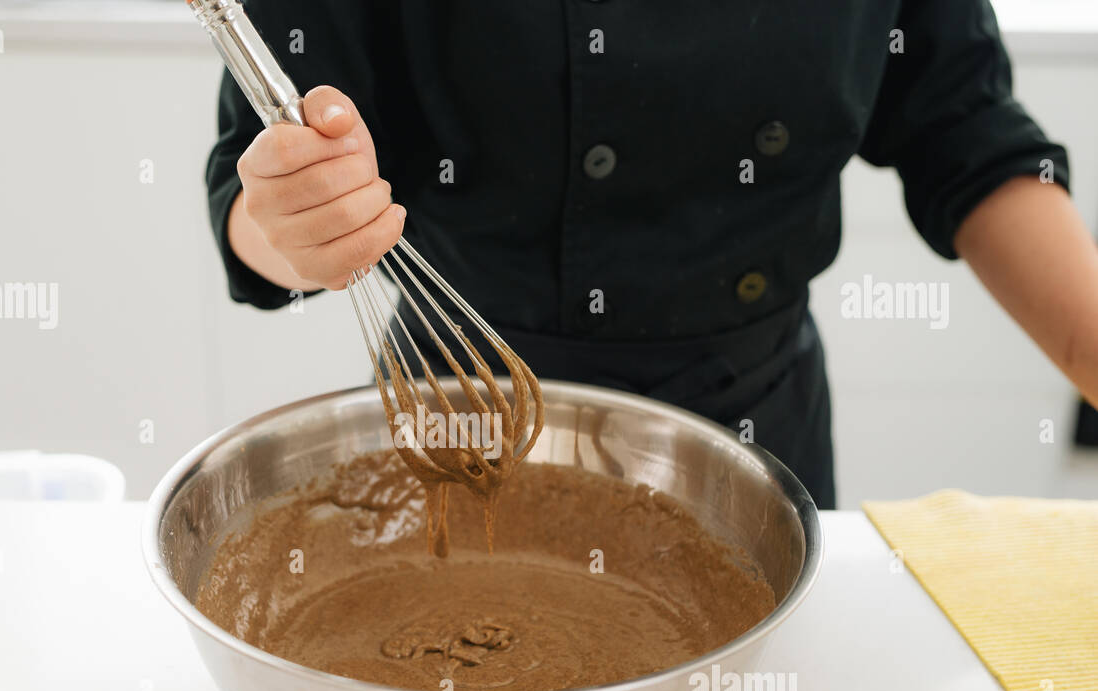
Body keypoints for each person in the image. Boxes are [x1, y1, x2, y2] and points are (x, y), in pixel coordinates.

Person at [205, 0, 1098, 509]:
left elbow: (966, 130)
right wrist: (295, 219)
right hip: (457, 416)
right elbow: (261, 192)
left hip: (753, 438)